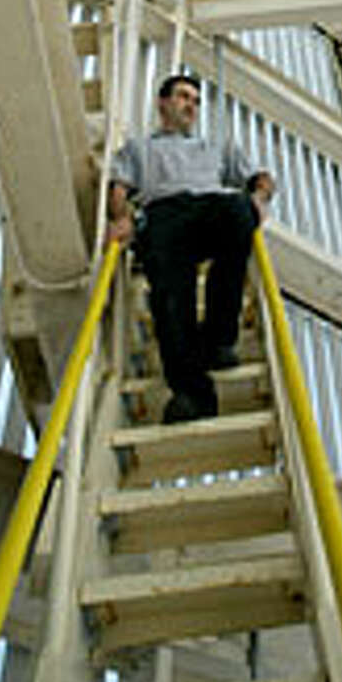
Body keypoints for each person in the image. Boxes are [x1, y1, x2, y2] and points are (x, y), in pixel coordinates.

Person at [107, 71, 275, 424]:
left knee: (238, 210)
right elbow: (119, 191)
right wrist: (122, 218)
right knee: (170, 299)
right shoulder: (139, 148)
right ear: (163, 103)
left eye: (196, 101)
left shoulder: (215, 146)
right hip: (164, 216)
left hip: (210, 207)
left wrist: (259, 198)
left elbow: (262, 179)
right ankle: (192, 395)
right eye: (184, 97)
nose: (192, 106)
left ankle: (219, 338)